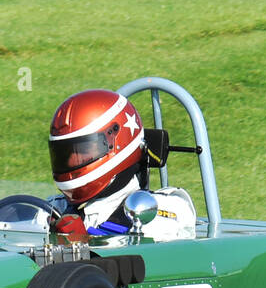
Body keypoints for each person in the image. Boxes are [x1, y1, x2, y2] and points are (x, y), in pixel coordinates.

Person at [48, 89, 196, 242]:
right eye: (65, 154)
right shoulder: (54, 208)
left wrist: (86, 243)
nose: (71, 159)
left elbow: (146, 250)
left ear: (116, 142)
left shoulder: (158, 208)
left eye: (82, 151)